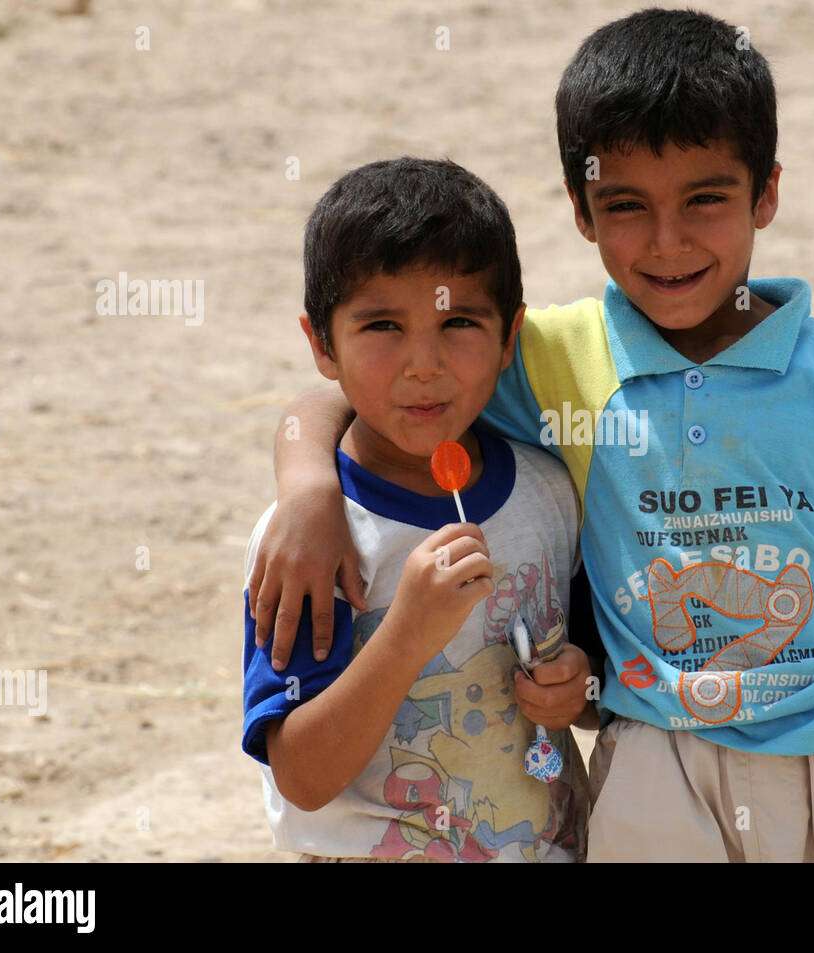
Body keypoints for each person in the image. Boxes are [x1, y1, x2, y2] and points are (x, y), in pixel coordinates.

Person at [252, 9, 814, 862]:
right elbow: (366, 389)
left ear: (767, 191)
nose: (667, 242)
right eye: (625, 206)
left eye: (707, 198)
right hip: (653, 772)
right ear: (581, 211)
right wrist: (308, 488)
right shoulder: (554, 360)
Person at [240, 157, 597, 863]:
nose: (424, 364)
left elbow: (599, 685)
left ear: (508, 338)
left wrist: (575, 687)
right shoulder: (315, 541)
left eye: (459, 320)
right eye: (382, 326)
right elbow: (302, 776)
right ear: (321, 344)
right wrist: (405, 634)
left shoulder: (551, 493)